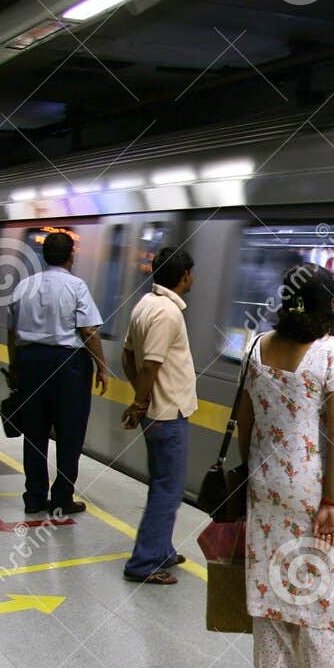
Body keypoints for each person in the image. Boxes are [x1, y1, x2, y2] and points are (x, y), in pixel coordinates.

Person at [235, 264, 334, 668]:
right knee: (324, 594)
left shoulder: (257, 347)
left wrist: (258, 473)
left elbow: (245, 422)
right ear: (328, 304)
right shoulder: (333, 353)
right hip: (315, 491)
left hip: (268, 484)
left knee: (274, 592)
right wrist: (330, 501)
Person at [7, 227, 108, 515]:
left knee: (34, 432)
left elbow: (12, 332)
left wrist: (15, 366)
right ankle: (62, 497)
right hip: (68, 366)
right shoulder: (76, 286)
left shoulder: (23, 286)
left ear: (43, 255)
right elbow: (88, 330)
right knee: (69, 433)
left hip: (30, 362)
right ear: (71, 257)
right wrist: (102, 366)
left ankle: (34, 496)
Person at [120, 246, 198, 584]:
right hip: (167, 413)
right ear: (183, 276)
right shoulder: (167, 313)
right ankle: (144, 563)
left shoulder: (145, 304)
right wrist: (141, 402)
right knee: (168, 488)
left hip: (158, 411)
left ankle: (161, 549)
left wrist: (141, 395)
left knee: (162, 483)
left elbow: (127, 355)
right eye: (190, 273)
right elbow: (150, 362)